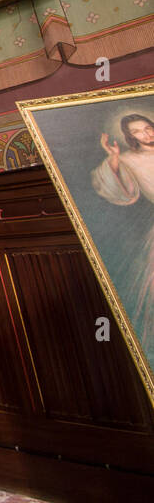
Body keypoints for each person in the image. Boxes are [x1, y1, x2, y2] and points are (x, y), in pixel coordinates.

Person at [92, 114, 154, 343]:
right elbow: (119, 191)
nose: (146, 134)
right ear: (130, 136)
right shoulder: (128, 159)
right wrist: (115, 158)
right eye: (138, 131)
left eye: (148, 128)